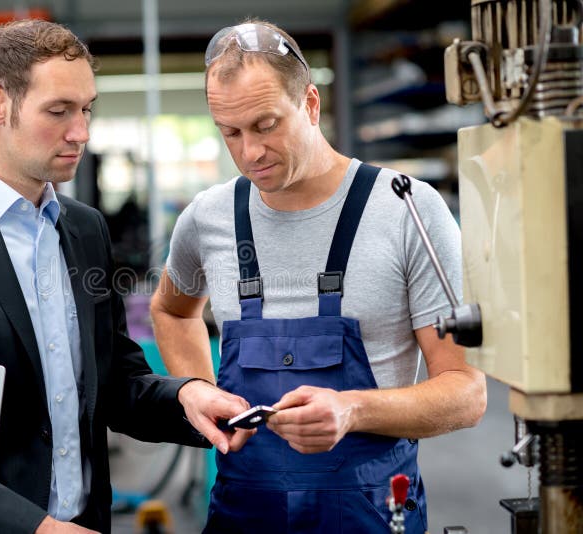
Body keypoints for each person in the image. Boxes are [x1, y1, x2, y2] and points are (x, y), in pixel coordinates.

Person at [0, 19, 251, 534]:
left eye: (86, 109)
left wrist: (186, 397)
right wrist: (35, 528)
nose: (81, 132)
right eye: (58, 111)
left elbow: (112, 382)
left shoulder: (83, 229)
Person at [150, 19, 487, 533]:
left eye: (266, 125)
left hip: (370, 514)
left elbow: (466, 393)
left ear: (310, 103)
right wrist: (199, 388)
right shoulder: (207, 217)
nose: (250, 153)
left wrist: (353, 410)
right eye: (230, 133)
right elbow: (172, 310)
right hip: (244, 511)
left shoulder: (407, 209)